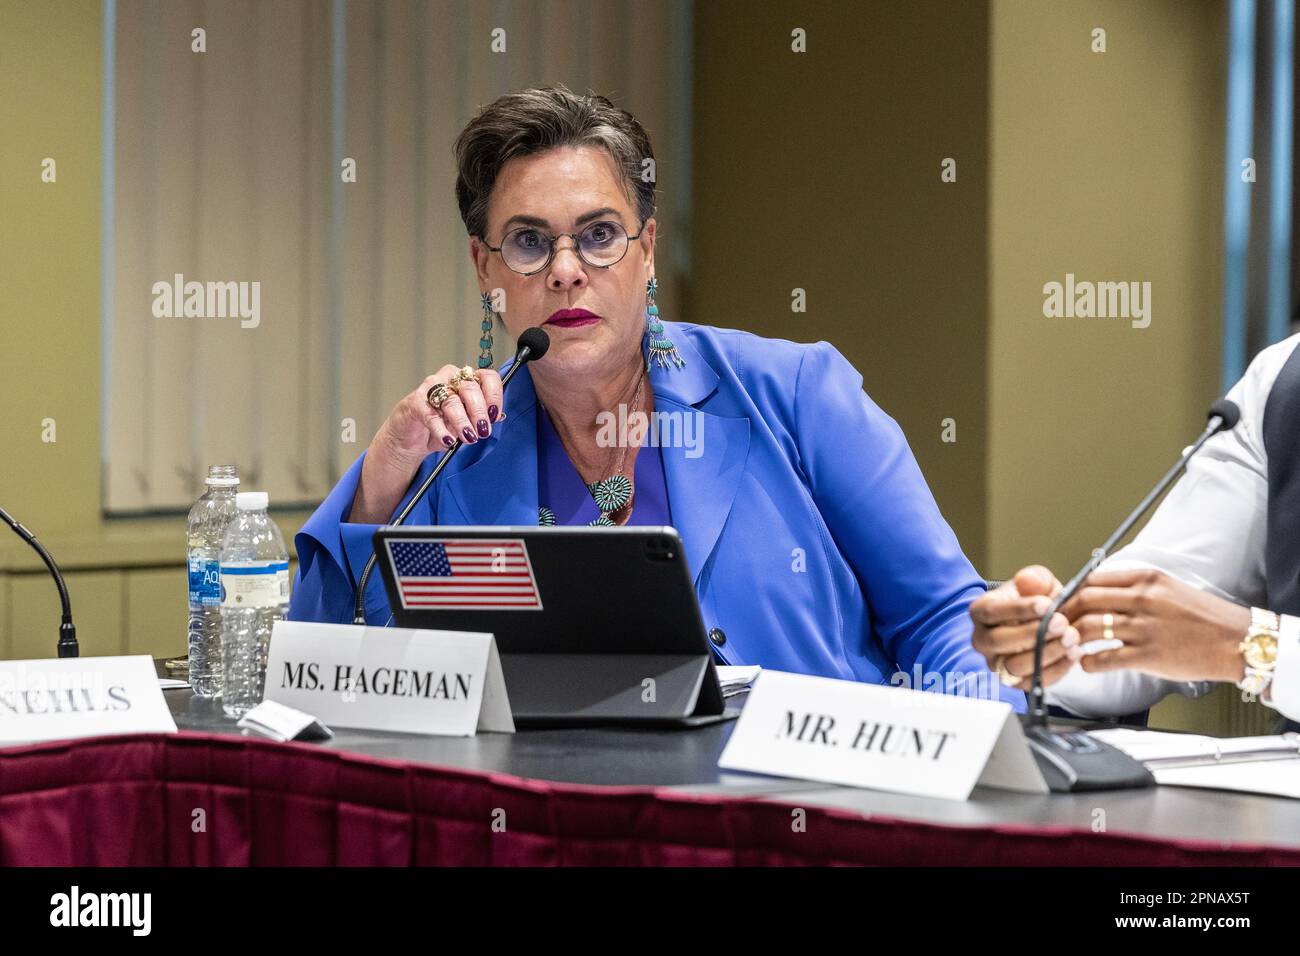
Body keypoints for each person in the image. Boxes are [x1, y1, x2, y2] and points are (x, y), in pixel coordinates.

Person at [287, 84, 1019, 707]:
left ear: (646, 251)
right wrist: (389, 464)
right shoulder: (456, 461)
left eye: (600, 234)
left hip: (812, 806)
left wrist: (976, 772)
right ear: (486, 268)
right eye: (530, 242)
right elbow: (345, 677)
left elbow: (940, 619)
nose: (567, 271)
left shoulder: (793, 393)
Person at [969, 333, 1300, 724]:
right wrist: (1054, 643)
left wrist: (1259, 649)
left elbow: (1225, 635)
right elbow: (1184, 588)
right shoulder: (1282, 377)